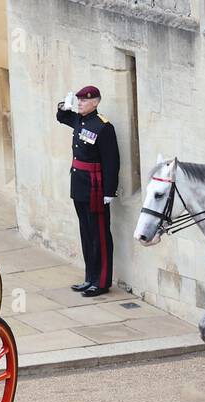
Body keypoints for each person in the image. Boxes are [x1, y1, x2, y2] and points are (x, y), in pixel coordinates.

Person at [56, 85, 119, 298]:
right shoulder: (78, 120)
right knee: (86, 232)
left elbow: (112, 161)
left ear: (95, 103)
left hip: (96, 187)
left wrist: (109, 191)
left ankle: (101, 282)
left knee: (99, 235)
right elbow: (61, 117)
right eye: (79, 100)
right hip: (80, 185)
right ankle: (89, 277)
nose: (80, 103)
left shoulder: (103, 127)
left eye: (84, 100)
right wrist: (63, 106)